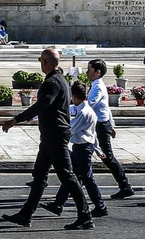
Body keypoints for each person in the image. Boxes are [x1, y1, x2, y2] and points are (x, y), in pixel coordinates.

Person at [0, 48, 92, 231]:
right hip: (51, 134)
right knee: (40, 174)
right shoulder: (60, 79)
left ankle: (85, 215)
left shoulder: (52, 82)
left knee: (67, 175)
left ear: (45, 62)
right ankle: (25, 214)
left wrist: (15, 120)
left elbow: (40, 106)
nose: (40, 63)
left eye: (40, 60)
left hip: (55, 135)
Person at [41, 81, 108, 219]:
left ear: (74, 96)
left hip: (82, 148)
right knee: (71, 178)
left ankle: (100, 206)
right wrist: (98, 149)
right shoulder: (85, 110)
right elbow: (92, 133)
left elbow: (70, 129)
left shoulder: (84, 113)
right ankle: (58, 204)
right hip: (82, 147)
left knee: (86, 179)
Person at [84, 58, 134, 199]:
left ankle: (125, 186)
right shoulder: (97, 85)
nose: (87, 72)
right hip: (101, 123)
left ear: (98, 72)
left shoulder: (98, 87)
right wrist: (111, 125)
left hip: (100, 125)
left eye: (89, 70)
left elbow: (90, 104)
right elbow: (105, 107)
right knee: (88, 155)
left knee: (107, 157)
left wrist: (73, 107)